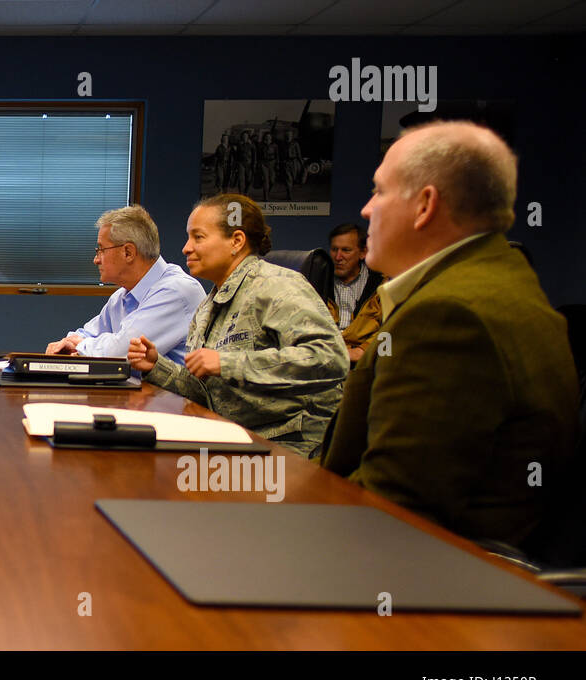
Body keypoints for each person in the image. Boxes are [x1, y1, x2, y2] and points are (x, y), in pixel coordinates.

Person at [320, 121, 577, 545]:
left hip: (416, 580)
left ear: (425, 206)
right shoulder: (498, 279)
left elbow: (389, 512)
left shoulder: (448, 315)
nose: (367, 210)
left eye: (380, 191)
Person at [127, 193, 349, 457]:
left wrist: (227, 363)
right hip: (233, 437)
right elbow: (207, 395)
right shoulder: (207, 307)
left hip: (290, 446)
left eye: (198, 237)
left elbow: (330, 359)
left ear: (236, 241)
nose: (186, 248)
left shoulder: (277, 286)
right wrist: (156, 366)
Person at [45, 205, 204, 363]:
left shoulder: (176, 291)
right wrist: (71, 343)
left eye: (101, 250)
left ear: (128, 252)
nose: (96, 260)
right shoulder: (122, 296)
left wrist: (82, 346)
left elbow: (121, 352)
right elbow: (88, 334)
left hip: (170, 389)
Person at [326, 222, 384, 363]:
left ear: (363, 253)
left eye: (346, 250)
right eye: (334, 249)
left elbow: (393, 331)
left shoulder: (383, 285)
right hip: (324, 357)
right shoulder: (316, 281)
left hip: (365, 363)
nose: (338, 257)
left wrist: (362, 350)